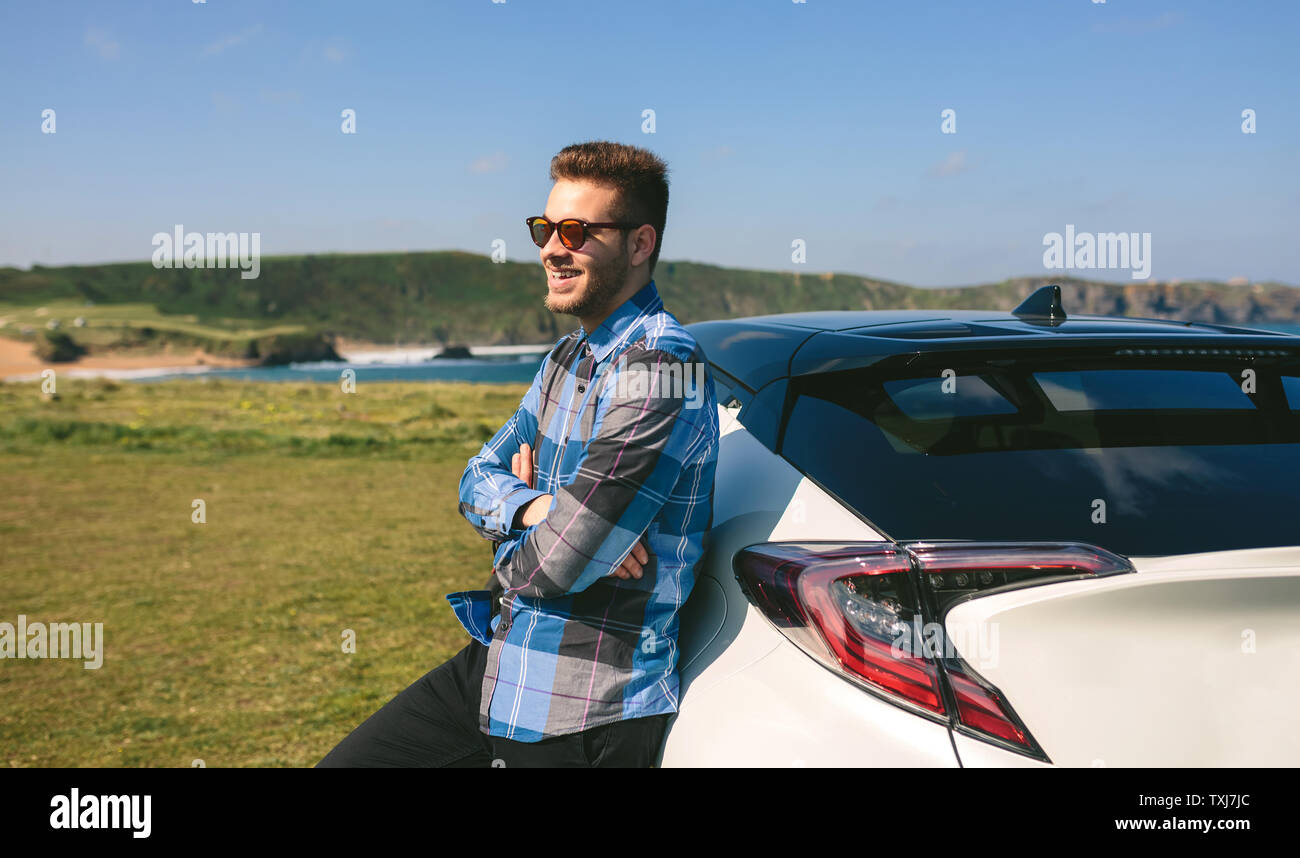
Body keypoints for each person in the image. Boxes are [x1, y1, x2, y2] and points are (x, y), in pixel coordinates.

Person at [317, 140, 719, 767]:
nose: (552, 248)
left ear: (641, 245)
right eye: (545, 228)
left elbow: (557, 566)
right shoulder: (566, 358)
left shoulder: (663, 366)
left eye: (577, 231)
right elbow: (475, 477)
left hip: (583, 707)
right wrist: (538, 510)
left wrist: (527, 534)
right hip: (498, 665)